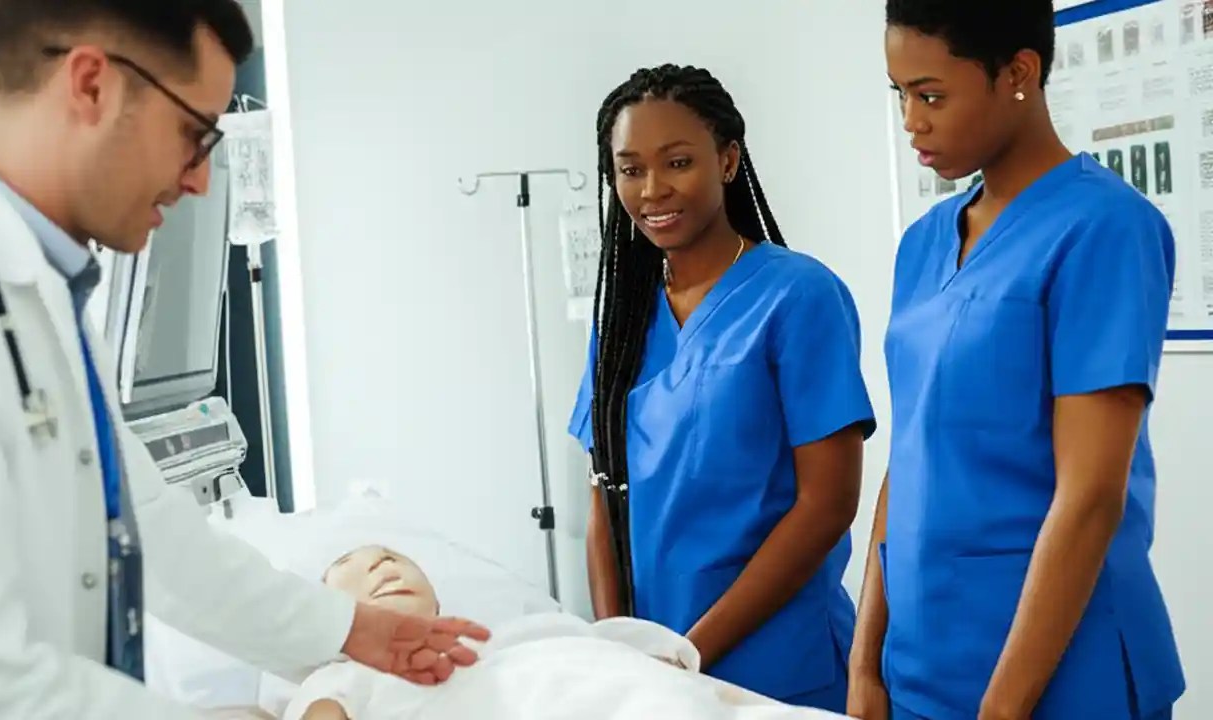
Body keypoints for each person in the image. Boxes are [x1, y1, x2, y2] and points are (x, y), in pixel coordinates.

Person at [0, 1, 487, 718]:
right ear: (92, 85)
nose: (199, 181)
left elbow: (152, 530)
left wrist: (349, 628)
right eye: (195, 134)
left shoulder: (46, 291)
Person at [850, 3, 1186, 719]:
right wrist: (865, 659)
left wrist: (1002, 710)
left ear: (1018, 73)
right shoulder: (922, 244)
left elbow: (1091, 495)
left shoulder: (1104, 228)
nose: (911, 121)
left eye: (931, 95)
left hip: (1062, 675)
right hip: (920, 663)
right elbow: (908, 458)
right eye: (900, 94)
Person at [566, 63, 877, 712]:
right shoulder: (621, 323)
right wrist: (621, 649)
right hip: (659, 677)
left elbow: (827, 505)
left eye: (677, 162)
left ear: (728, 160)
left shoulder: (798, 296)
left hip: (781, 667)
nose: (653, 189)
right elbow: (603, 503)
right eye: (630, 169)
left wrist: (691, 651)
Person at [286, 545, 849, 720]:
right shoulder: (348, 674)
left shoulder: (531, 632)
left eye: (389, 558)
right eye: (354, 576)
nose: (380, 569)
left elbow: (647, 664)